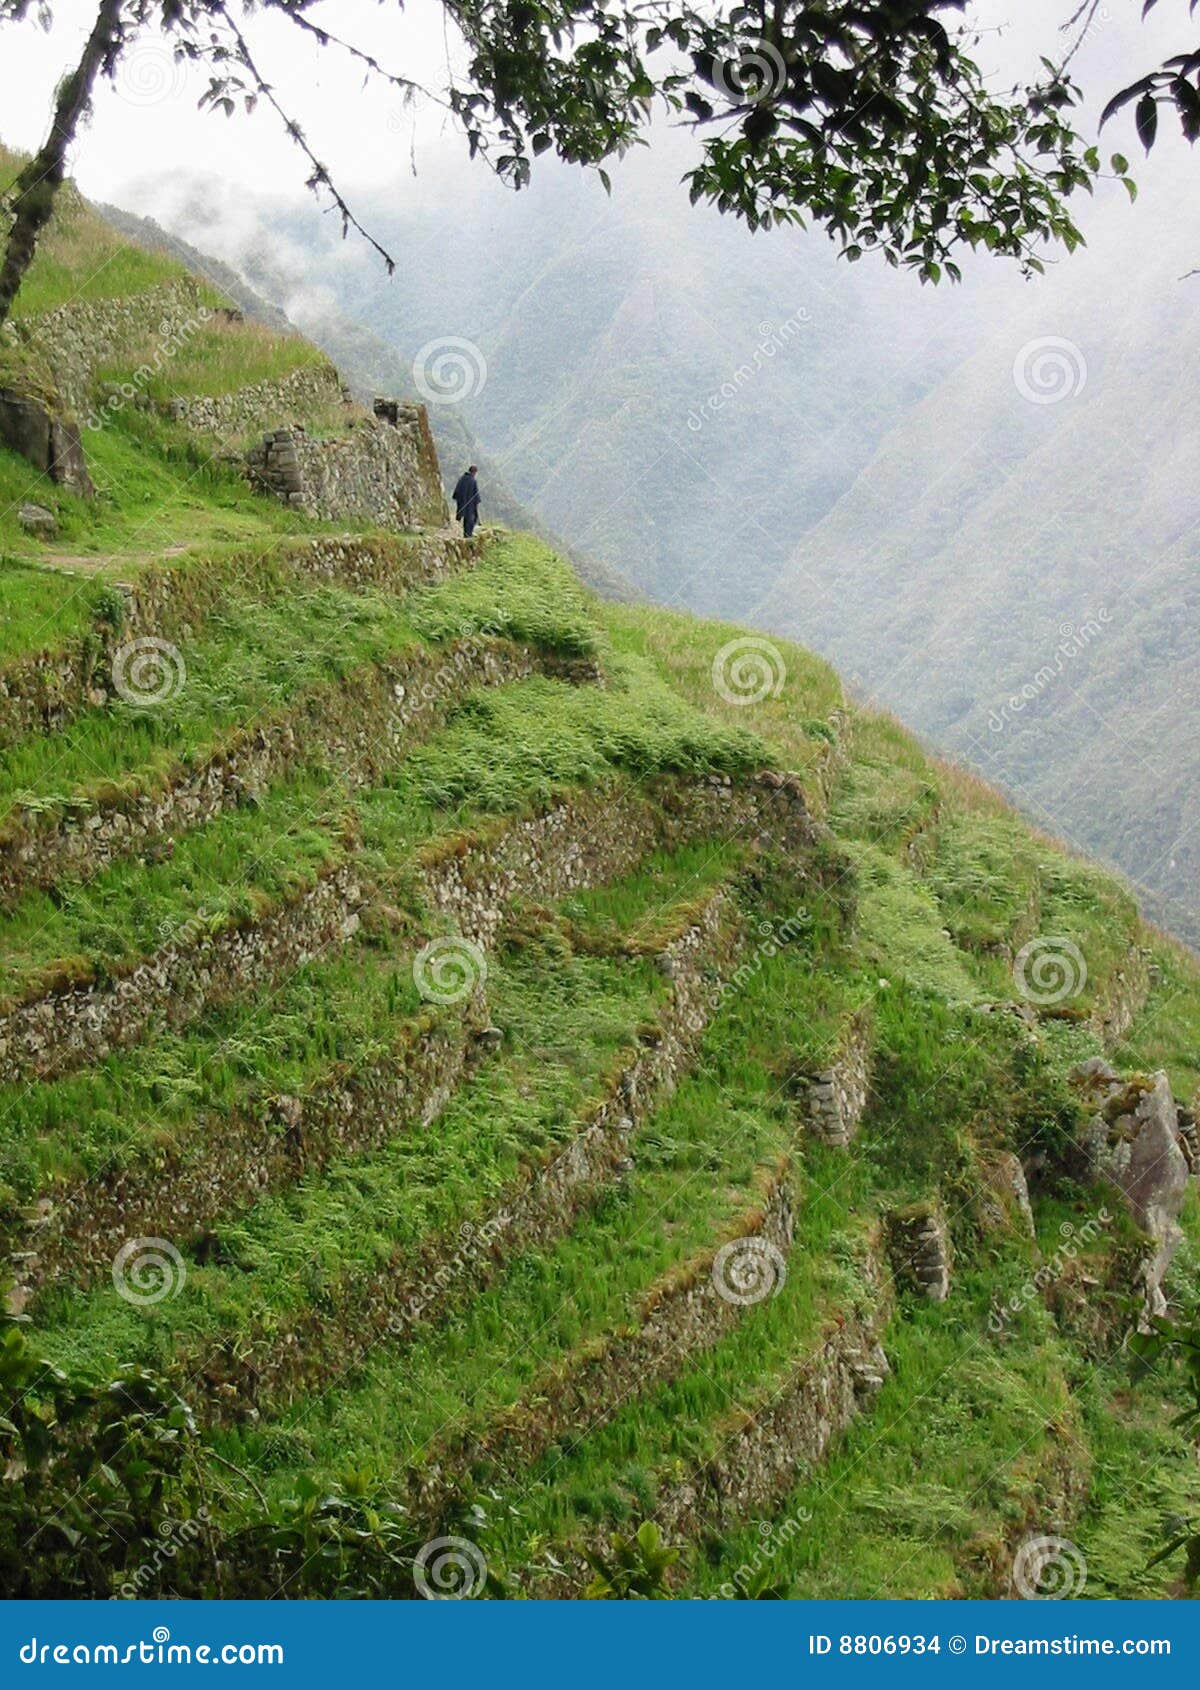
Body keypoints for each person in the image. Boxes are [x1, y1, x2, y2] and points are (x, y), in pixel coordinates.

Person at [452, 464, 481, 537]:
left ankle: (466, 535)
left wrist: (459, 501)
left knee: (465, 520)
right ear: (474, 472)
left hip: (462, 503)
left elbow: (457, 492)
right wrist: (476, 504)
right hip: (470, 505)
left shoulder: (462, 478)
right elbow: (476, 495)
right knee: (470, 521)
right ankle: (468, 535)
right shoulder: (473, 481)